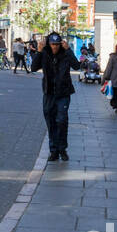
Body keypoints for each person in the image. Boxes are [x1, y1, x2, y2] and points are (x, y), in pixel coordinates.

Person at [31, 31, 80, 161]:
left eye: (57, 44)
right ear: (49, 44)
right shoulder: (45, 53)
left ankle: (62, 149)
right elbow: (33, 68)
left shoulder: (65, 54)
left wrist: (68, 50)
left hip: (63, 93)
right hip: (48, 93)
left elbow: (76, 66)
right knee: (51, 121)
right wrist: (39, 52)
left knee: (62, 120)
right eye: (52, 44)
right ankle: (54, 150)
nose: (55, 47)